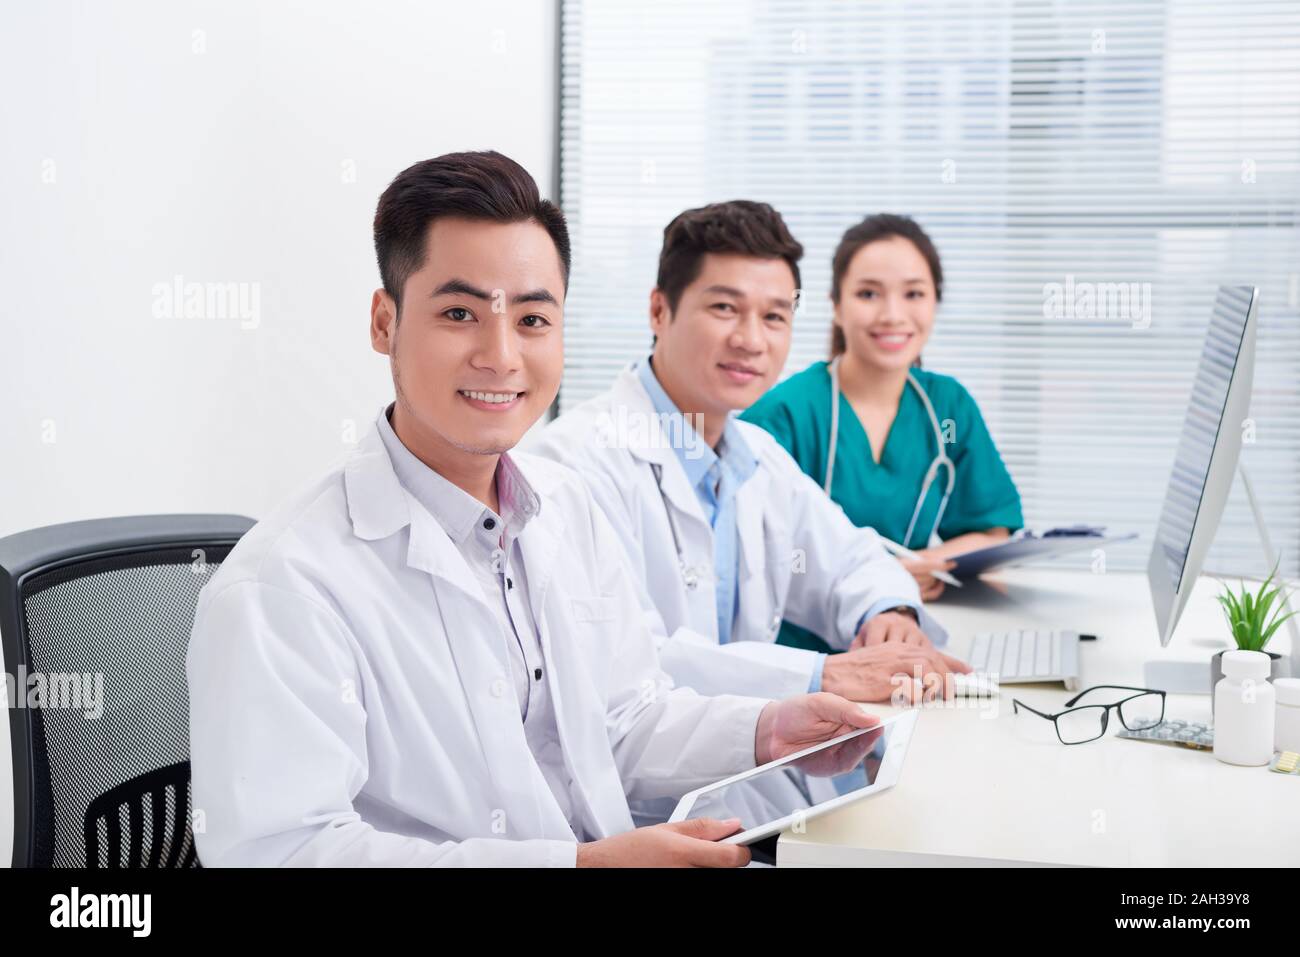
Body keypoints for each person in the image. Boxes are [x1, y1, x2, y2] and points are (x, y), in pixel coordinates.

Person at [186, 152, 878, 868]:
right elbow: (280, 853)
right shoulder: (283, 585)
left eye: (533, 317)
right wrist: (577, 867)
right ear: (384, 322)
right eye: (459, 313)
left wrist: (768, 728)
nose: (501, 354)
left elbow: (621, 719)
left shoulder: (563, 509)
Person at [529, 201, 968, 705]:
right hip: (638, 780)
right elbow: (628, 665)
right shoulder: (575, 465)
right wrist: (822, 676)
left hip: (747, 759)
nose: (751, 340)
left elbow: (852, 560)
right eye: (724, 308)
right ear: (658, 310)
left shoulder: (757, 458)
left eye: (775, 316)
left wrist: (889, 613)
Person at [742, 214, 1022, 641]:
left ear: (935, 303)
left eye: (914, 293)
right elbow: (752, 557)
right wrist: (879, 580)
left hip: (902, 630)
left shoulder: (948, 407)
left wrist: (917, 568)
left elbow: (990, 533)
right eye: (869, 293)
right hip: (800, 650)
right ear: (836, 305)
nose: (893, 314)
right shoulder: (783, 414)